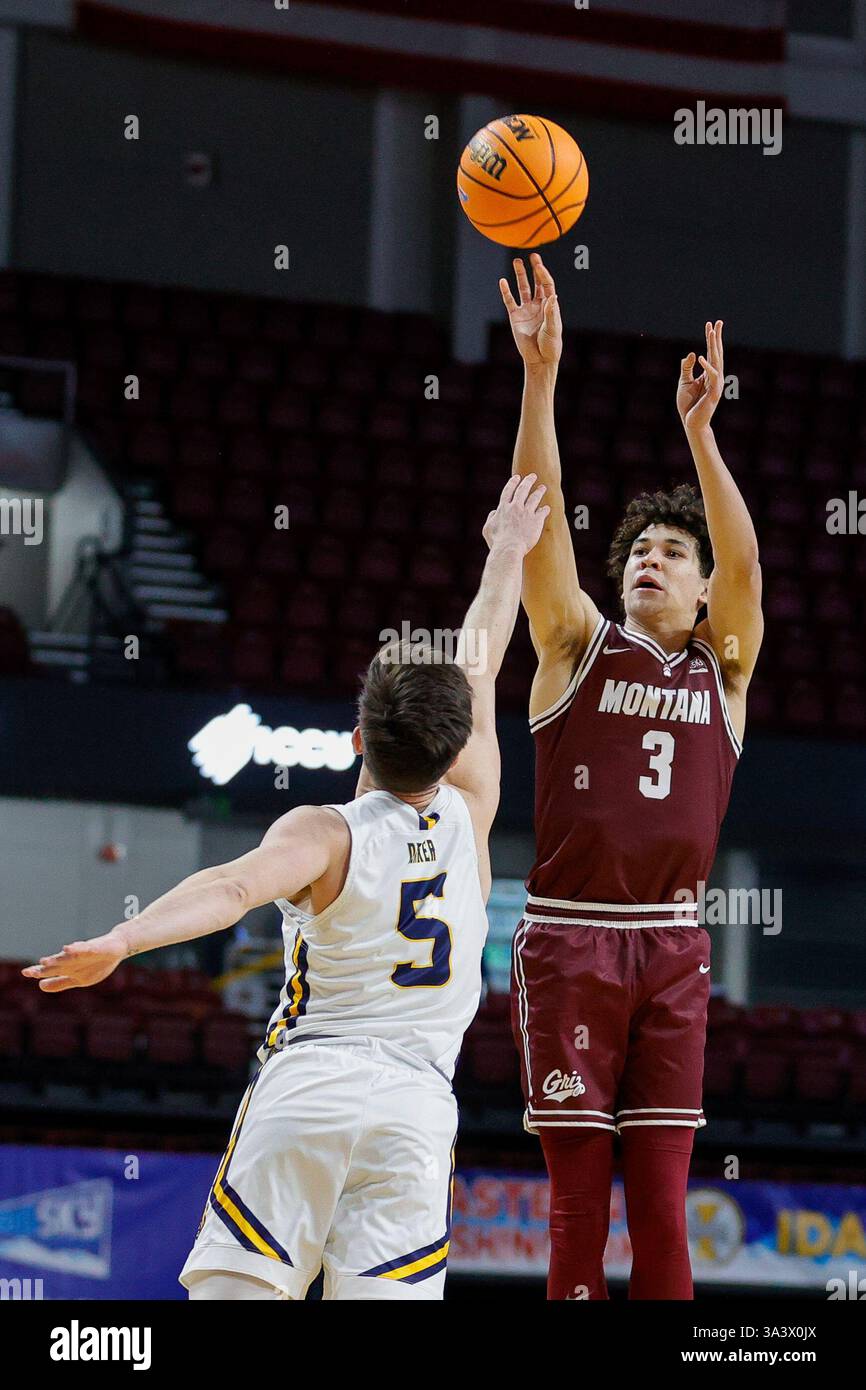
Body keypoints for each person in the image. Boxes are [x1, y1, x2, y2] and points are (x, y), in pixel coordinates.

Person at [22, 473, 549, 1302]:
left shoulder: (325, 832)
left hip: (311, 1086)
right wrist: (508, 551)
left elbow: (229, 889)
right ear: (450, 753)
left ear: (354, 739)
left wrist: (124, 941)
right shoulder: (471, 811)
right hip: (417, 1111)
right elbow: (481, 655)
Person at [500, 254, 763, 1300]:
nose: (647, 559)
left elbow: (746, 569)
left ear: (699, 594)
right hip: (569, 933)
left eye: (669, 552)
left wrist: (700, 438)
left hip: (672, 941)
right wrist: (538, 376)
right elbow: (543, 509)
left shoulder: (720, 667)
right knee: (575, 1208)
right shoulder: (573, 647)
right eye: (635, 552)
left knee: (659, 1205)